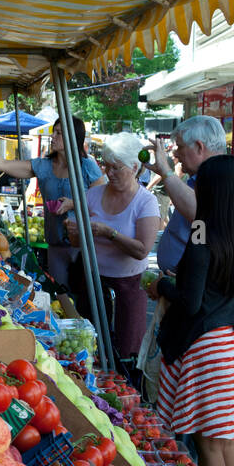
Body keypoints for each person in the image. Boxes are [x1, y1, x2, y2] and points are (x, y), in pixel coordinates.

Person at [144, 154, 234, 466]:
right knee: (225, 439)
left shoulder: (201, 237)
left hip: (209, 348)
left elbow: (190, 303)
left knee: (207, 442)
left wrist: (162, 284)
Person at [0, 115, 101, 282]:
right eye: (54, 132)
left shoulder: (87, 166)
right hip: (54, 244)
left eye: (59, 133)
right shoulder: (43, 165)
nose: (53, 136)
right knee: (61, 297)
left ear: (73, 137)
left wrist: (74, 204)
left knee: (85, 296)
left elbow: (101, 201)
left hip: (84, 245)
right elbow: (4, 164)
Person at [65, 133, 160, 366]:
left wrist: (110, 233)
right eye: (106, 166)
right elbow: (78, 244)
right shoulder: (93, 195)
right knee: (90, 347)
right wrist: (74, 233)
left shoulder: (146, 201)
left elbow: (142, 250)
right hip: (93, 283)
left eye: (116, 168)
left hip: (129, 286)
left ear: (135, 167)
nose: (109, 173)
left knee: (126, 351)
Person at [147, 114, 228, 275]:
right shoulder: (198, 179)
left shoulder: (220, 179)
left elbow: (199, 215)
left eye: (180, 146)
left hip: (195, 289)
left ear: (199, 147)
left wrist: (165, 170)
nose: (175, 154)